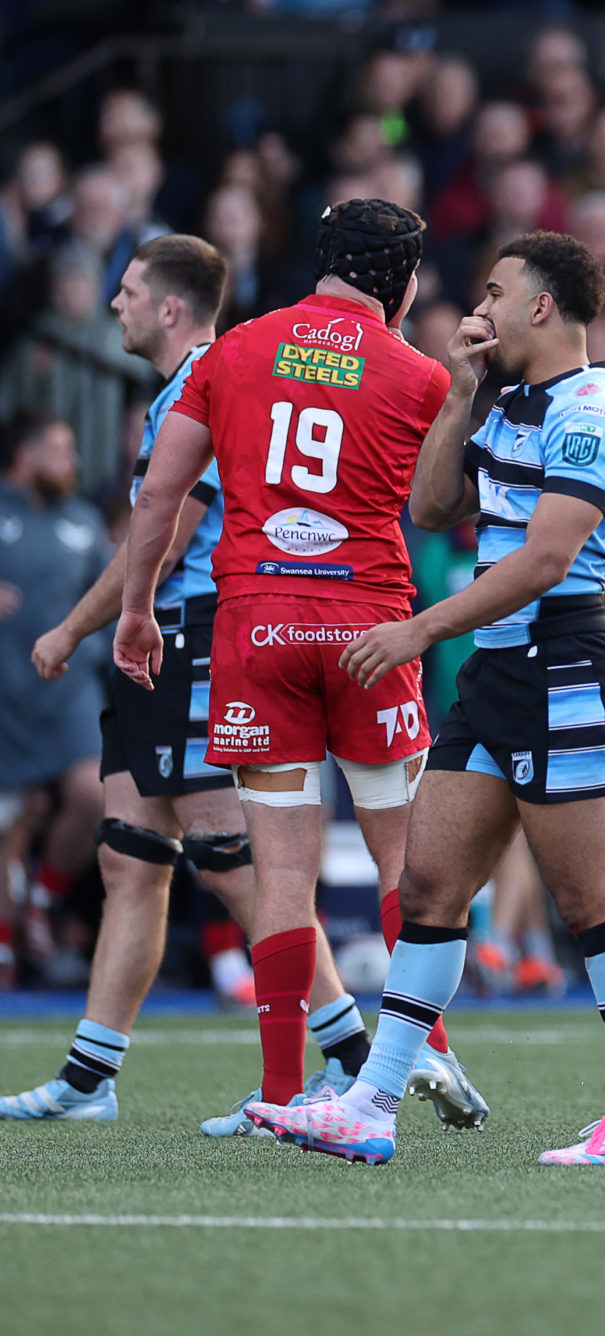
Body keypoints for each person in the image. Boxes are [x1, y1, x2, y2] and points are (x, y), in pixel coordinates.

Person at [244, 230, 605, 1169]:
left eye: (494, 291)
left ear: (540, 306)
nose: (476, 309)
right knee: (432, 888)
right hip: (495, 672)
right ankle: (370, 1104)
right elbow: (436, 508)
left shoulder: (591, 410)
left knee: (590, 898)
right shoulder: (508, 404)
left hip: (562, 662)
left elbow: (546, 559)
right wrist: (459, 392)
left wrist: (417, 630)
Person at [114, 200, 487, 1129]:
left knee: (282, 875)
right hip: (368, 630)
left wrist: (133, 612)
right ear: (401, 285)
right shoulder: (415, 373)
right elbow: (446, 503)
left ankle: (282, 1093)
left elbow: (161, 494)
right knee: (408, 866)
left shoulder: (232, 352)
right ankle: (418, 1057)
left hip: (257, 624)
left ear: (323, 260)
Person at [0, 237, 369, 1124]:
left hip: (189, 642)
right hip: (153, 653)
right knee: (130, 860)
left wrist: (69, 628)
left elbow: (156, 547)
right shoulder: (175, 391)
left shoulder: (208, 389)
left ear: (169, 308)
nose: (114, 306)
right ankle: (90, 1079)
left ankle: (356, 1057)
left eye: (127, 293)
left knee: (233, 863)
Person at [0, 411, 109, 989]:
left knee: (93, 793)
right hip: (7, 692)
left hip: (71, 689)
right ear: (26, 455)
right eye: (60, 449)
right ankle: (7, 947)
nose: (72, 461)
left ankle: (43, 899)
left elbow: (116, 592)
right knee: (7, 825)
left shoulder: (84, 520)